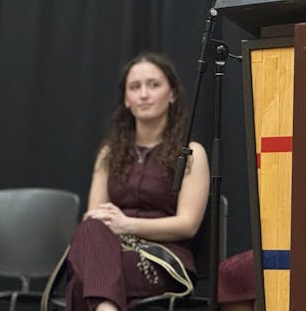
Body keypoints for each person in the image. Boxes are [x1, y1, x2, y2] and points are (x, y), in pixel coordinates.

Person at [61, 52, 210, 311]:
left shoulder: (191, 153)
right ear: (126, 100)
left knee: (79, 281)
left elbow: (187, 225)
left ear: (172, 94)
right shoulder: (109, 152)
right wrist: (110, 226)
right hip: (108, 250)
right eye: (135, 87)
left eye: (153, 85)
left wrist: (127, 224)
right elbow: (95, 217)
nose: (143, 94)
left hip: (163, 259)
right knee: (91, 228)